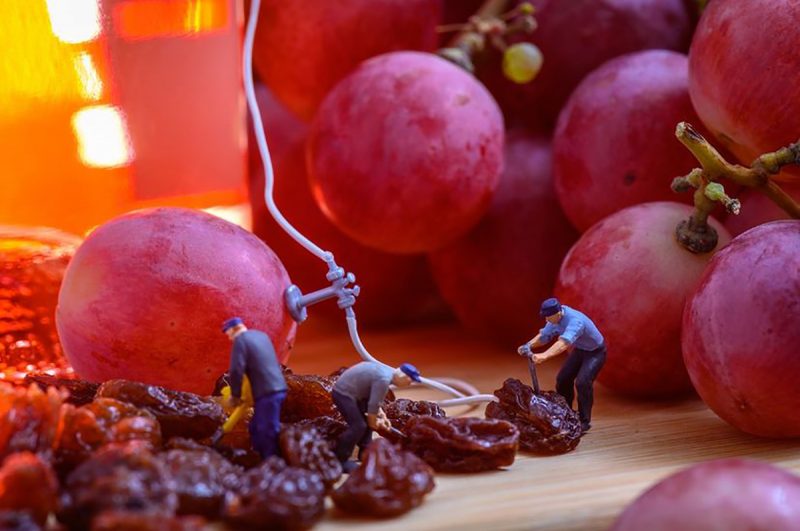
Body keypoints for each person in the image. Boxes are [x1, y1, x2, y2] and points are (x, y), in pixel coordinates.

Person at [518, 298, 606, 432]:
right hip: (580, 350)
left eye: (548, 317)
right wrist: (528, 345)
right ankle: (566, 413)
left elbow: (563, 344)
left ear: (558, 313)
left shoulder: (575, 321)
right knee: (563, 379)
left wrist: (545, 355)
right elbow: (544, 336)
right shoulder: (554, 318)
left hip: (595, 352)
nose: (547, 320)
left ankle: (584, 421)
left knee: (583, 382)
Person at [332, 361, 421, 471]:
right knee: (358, 426)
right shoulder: (383, 379)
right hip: (343, 393)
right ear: (403, 376)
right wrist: (373, 422)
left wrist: (382, 417)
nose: (409, 384)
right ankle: (340, 460)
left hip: (358, 394)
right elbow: (373, 404)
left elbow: (374, 401)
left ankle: (365, 452)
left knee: (365, 424)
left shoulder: (388, 373)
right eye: (410, 381)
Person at [222, 317, 287, 459]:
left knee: (266, 428)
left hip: (267, 392)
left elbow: (236, 370)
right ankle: (257, 455)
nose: (229, 338)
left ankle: (271, 460)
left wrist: (235, 395)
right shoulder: (261, 336)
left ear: (234, 329)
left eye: (228, 334)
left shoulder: (241, 340)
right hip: (278, 387)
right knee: (255, 426)